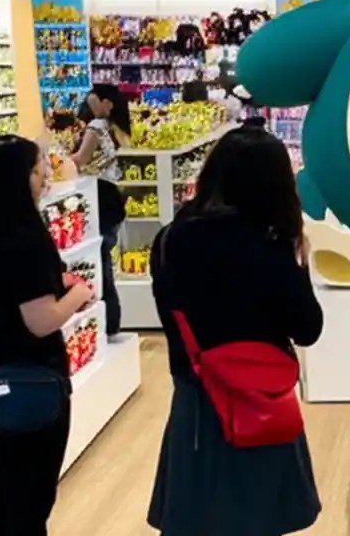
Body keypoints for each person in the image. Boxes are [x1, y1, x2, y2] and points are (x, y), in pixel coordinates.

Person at [147, 125, 323, 536]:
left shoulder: (170, 239)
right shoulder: (268, 247)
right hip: (261, 401)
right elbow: (308, 328)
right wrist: (301, 265)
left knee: (197, 520)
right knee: (260, 519)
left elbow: (169, 318)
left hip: (196, 402)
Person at [0, 135, 98, 535]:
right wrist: (78, 293)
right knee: (29, 496)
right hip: (25, 381)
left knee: (4, 485)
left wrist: (53, 285)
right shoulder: (23, 239)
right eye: (36, 170)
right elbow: (41, 320)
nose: (45, 177)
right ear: (15, 178)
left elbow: (3, 297)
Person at [72, 83, 131, 336]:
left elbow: (80, 160)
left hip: (97, 195)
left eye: (93, 100)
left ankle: (105, 320)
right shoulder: (117, 128)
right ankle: (113, 319)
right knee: (106, 256)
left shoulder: (96, 127)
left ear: (107, 103)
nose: (89, 104)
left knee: (99, 259)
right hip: (113, 195)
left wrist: (57, 160)